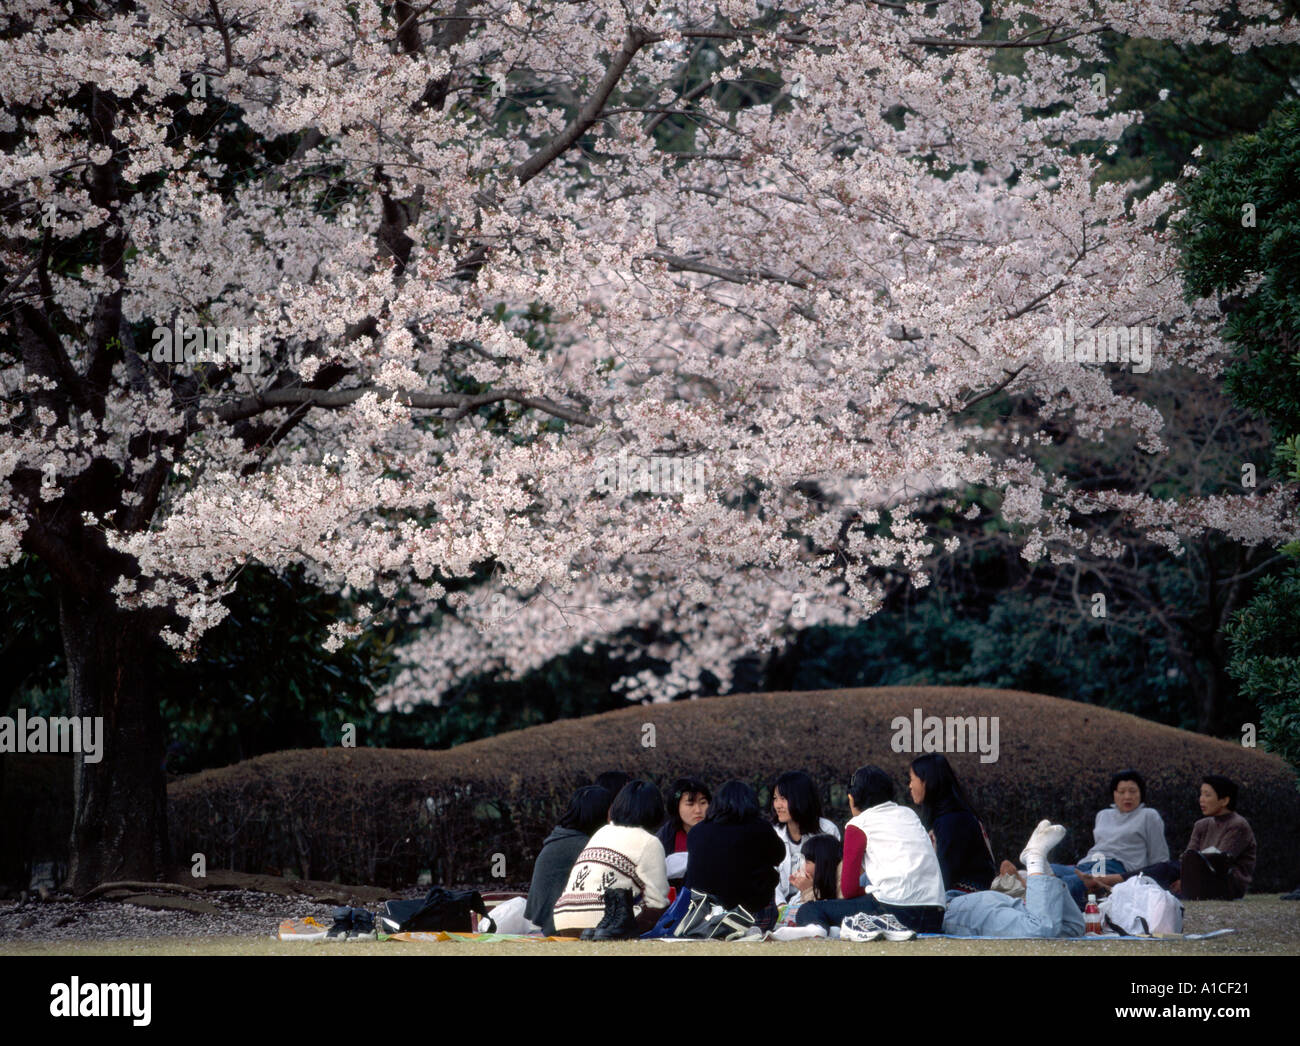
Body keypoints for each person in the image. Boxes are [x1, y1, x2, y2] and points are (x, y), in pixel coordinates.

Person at [795, 766, 947, 937]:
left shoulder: (858, 824)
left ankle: (822, 930)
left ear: (852, 798)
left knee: (809, 909)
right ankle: (842, 929)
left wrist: (871, 890)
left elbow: (849, 889)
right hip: (935, 914)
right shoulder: (909, 814)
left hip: (894, 910)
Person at [1086, 775, 1257, 901]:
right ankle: (1114, 887)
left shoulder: (1237, 825)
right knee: (1166, 868)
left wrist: (1188, 878)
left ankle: (1114, 880)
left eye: (1207, 795)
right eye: (1201, 794)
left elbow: (1219, 861)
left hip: (1226, 883)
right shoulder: (1202, 824)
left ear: (1225, 800)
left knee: (1166, 869)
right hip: (1200, 875)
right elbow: (1189, 857)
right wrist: (1186, 875)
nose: (1201, 800)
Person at [553, 780, 670, 935]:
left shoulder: (602, 832)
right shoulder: (649, 842)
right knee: (658, 911)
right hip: (603, 922)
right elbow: (657, 900)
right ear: (655, 810)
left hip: (565, 920)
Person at [943, 820, 1085, 938]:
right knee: (1072, 928)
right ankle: (1040, 862)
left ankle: (1035, 857)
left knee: (1040, 930)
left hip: (956, 911)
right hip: (962, 906)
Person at [1051, 770, 1169, 908]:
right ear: (1114, 794)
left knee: (1071, 883)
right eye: (1122, 791)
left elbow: (1159, 856)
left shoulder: (1148, 815)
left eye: (1132, 791)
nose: (1127, 796)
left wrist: (1159, 881)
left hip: (1117, 866)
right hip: (1089, 863)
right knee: (1046, 871)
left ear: (1141, 793)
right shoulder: (1103, 815)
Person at [685, 780, 786, 931]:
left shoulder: (696, 831)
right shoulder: (761, 828)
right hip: (754, 913)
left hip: (703, 915)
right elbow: (779, 856)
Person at [524, 784, 611, 936]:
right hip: (562, 929)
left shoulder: (562, 839)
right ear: (600, 813)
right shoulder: (584, 847)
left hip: (550, 924)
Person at [908, 753, 996, 895]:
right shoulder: (950, 817)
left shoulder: (952, 821)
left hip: (967, 896)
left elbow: (945, 875)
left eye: (912, 779)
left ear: (927, 781)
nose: (910, 786)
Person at [772, 770, 841, 903]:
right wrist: (781, 905)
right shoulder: (773, 834)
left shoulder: (827, 831)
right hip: (778, 905)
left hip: (816, 901)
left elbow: (832, 877)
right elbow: (768, 877)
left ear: (801, 799)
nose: (777, 805)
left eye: (783, 799)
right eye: (775, 798)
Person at [655, 776, 711, 859]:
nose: (698, 810)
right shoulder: (666, 837)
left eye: (703, 803)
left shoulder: (718, 833)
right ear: (676, 806)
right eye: (690, 804)